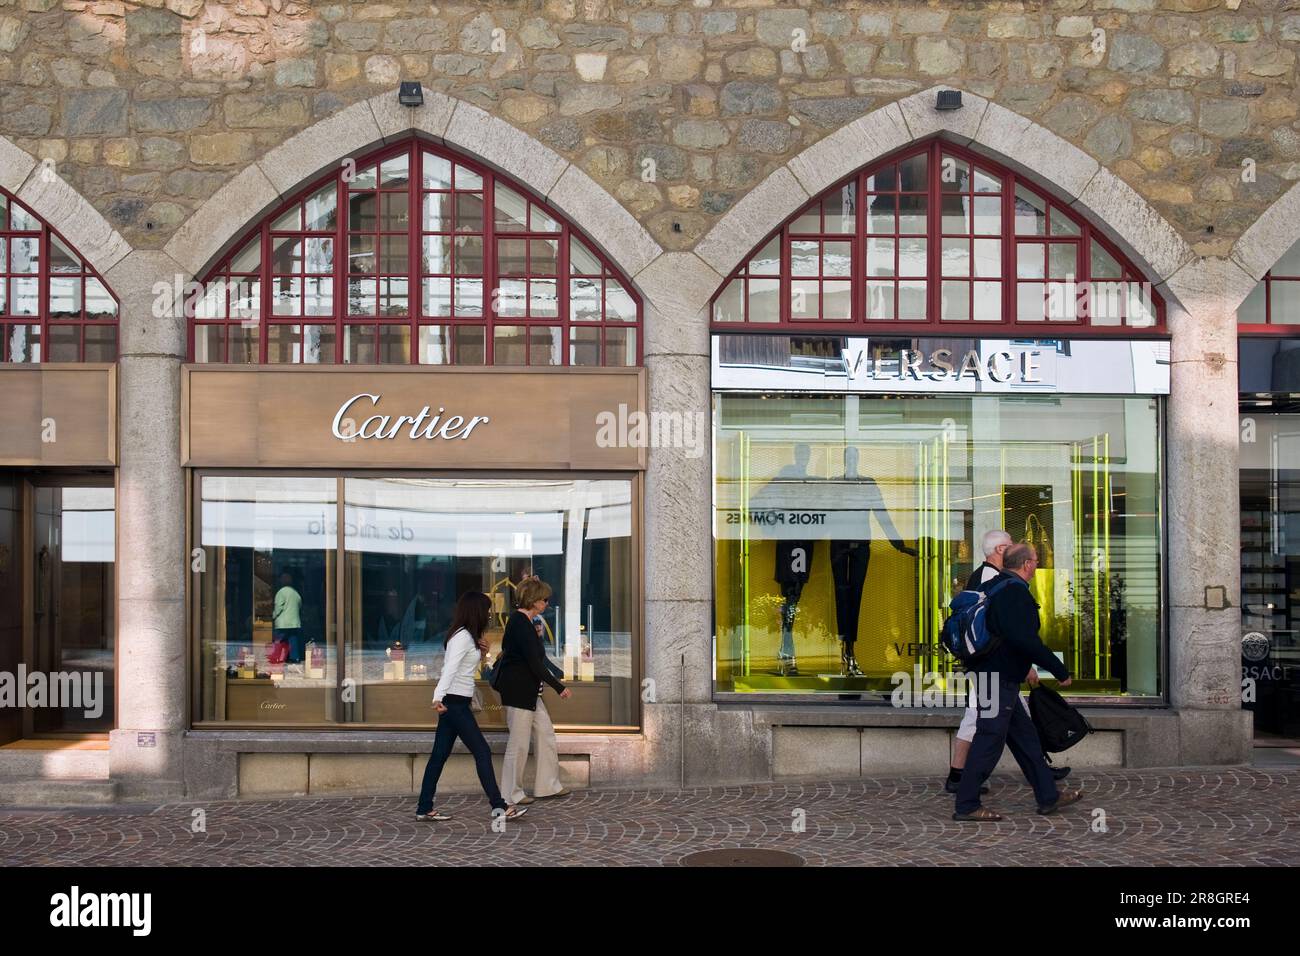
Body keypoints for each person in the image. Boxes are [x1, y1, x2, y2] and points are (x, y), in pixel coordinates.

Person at [953, 543, 1083, 821]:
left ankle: (1048, 796)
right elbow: (1025, 640)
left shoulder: (997, 587)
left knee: (1026, 739)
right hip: (995, 678)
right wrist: (1059, 670)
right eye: (1036, 560)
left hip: (998, 676)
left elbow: (1009, 638)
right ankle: (966, 804)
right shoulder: (1014, 594)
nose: (1037, 564)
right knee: (989, 738)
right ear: (1026, 564)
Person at [415, 591, 526, 823]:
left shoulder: (466, 637)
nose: (488, 615)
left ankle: (424, 807)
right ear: (476, 611)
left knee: (439, 756)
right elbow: (450, 669)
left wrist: (481, 654)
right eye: (486, 610)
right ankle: (499, 806)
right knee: (482, 752)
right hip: (454, 703)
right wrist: (438, 697)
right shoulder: (462, 637)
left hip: (456, 702)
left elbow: (464, 668)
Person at [496, 577, 572, 806]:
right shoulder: (520, 623)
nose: (547, 603)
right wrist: (559, 687)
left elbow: (538, 657)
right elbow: (534, 664)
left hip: (530, 693)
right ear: (533, 600)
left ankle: (547, 785)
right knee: (518, 745)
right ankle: (511, 794)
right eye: (544, 599)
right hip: (519, 692)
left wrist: (558, 672)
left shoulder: (527, 623)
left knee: (545, 735)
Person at [272, 571, 304, 664]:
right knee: (292, 640)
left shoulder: (281, 592)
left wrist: (273, 616)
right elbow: (300, 604)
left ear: (282, 580)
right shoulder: (295, 593)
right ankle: (295, 658)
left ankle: (278, 657)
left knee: (279, 640)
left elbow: (278, 607)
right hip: (294, 622)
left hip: (283, 623)